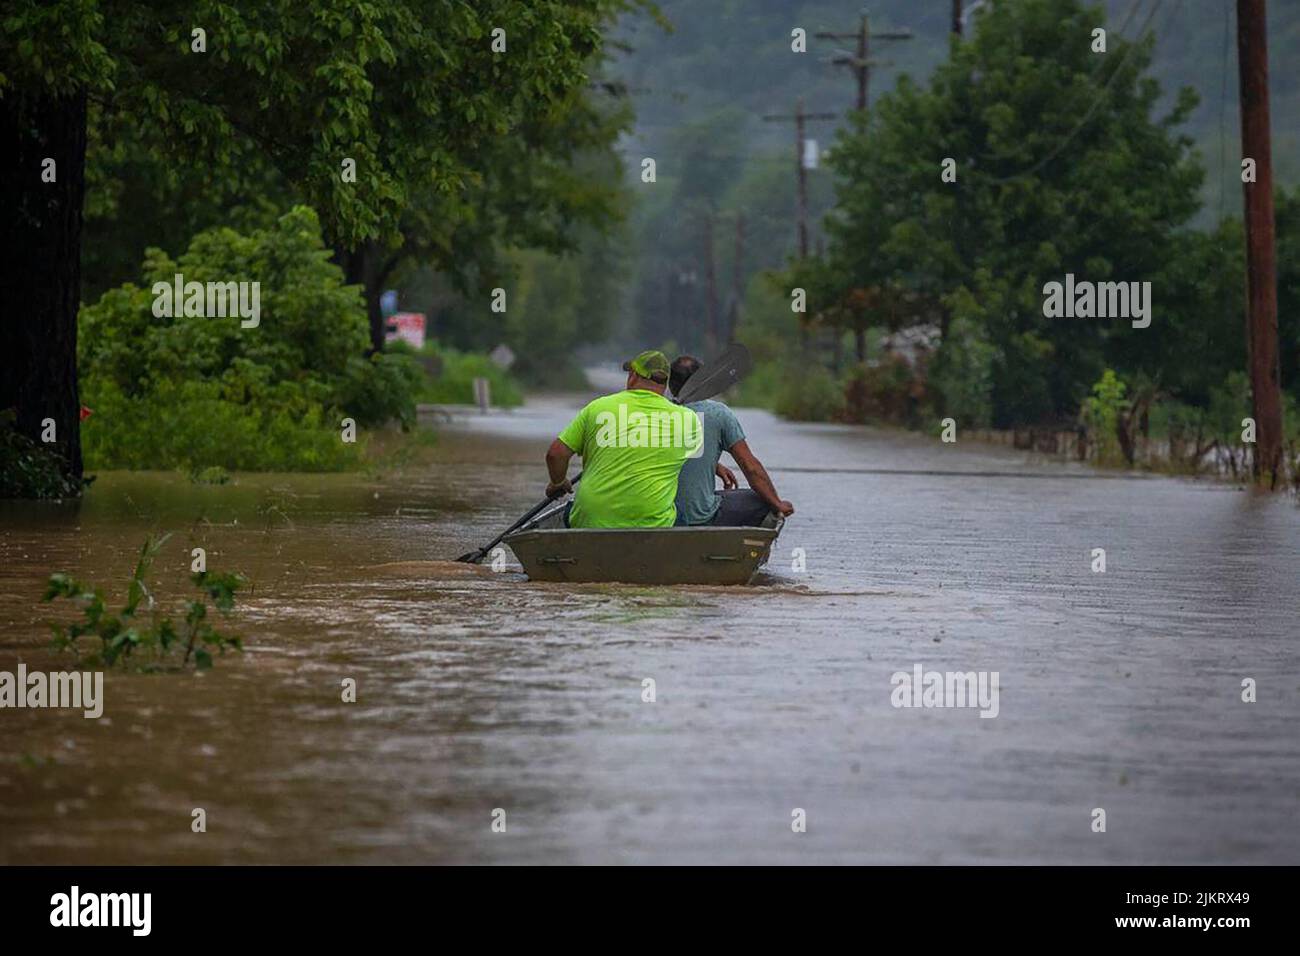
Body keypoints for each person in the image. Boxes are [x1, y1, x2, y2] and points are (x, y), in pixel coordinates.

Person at [544, 350, 703, 528]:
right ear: (665, 384)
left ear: (633, 376)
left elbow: (555, 454)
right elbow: (694, 460)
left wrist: (558, 482)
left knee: (572, 510)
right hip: (655, 525)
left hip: (591, 521)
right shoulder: (689, 419)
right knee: (682, 513)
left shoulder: (598, 407)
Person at [669, 354, 793, 527]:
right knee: (763, 501)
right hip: (699, 516)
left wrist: (714, 465)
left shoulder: (658, 414)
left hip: (663, 516)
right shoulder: (718, 414)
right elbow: (750, 467)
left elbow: (674, 451)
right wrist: (777, 503)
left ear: (670, 384)